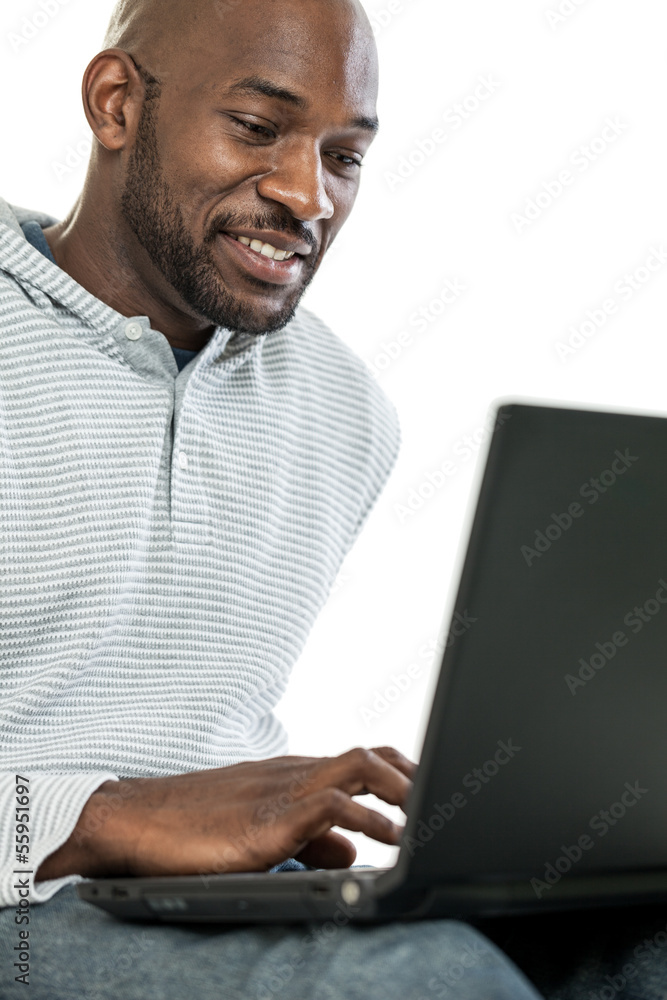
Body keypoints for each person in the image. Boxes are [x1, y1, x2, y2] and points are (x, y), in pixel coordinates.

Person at [0, 1, 656, 998]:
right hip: (23, 909)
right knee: (419, 980)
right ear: (116, 104)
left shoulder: (344, 411)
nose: (306, 195)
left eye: (343, 157)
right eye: (258, 129)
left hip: (234, 896)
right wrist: (103, 816)